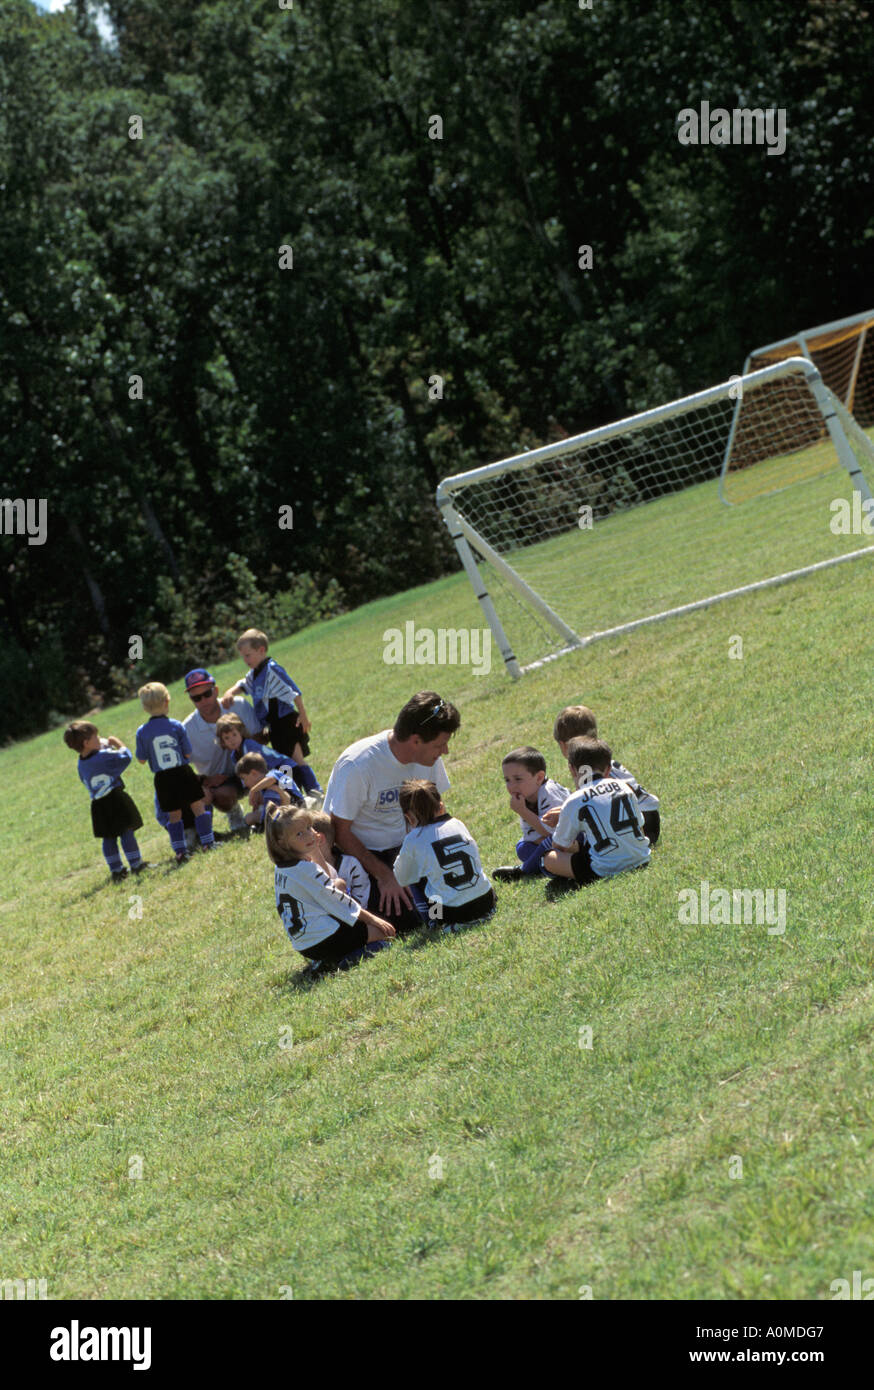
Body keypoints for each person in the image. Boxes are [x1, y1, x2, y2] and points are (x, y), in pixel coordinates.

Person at [323, 691, 461, 932]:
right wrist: (385, 876)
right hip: (363, 855)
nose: (445, 751)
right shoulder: (358, 764)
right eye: (440, 745)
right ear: (416, 741)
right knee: (406, 916)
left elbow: (436, 812)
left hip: (404, 847)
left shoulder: (428, 758)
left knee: (452, 894)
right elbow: (340, 833)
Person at [266, 805, 396, 972]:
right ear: (281, 842)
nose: (309, 834)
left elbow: (329, 879)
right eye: (299, 834)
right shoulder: (305, 870)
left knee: (340, 883)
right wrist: (372, 919)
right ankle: (345, 960)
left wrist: (314, 850)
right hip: (325, 938)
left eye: (308, 827)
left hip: (305, 944)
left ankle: (327, 960)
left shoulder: (283, 868)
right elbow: (336, 900)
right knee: (384, 933)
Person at [219, 629, 321, 798]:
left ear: (261, 650)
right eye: (243, 656)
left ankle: (315, 790)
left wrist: (303, 715)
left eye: (248, 655)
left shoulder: (272, 669)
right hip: (275, 727)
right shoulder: (254, 674)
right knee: (285, 764)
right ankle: (298, 796)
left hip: (288, 721)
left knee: (297, 759)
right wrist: (231, 692)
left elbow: (293, 692)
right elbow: (244, 684)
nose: (245, 660)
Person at [543, 737, 651, 885]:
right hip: (642, 858)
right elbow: (640, 827)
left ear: (572, 769)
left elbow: (559, 846)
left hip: (603, 869)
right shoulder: (624, 786)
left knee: (549, 858)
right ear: (608, 769)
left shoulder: (574, 800)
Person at [395, 780, 495, 930]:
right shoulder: (457, 823)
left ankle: (433, 921)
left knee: (415, 880)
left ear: (408, 816)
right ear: (441, 806)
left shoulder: (413, 839)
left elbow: (402, 877)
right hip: (486, 901)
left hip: (452, 913)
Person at [552, 704, 660, 843]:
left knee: (579, 841)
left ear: (563, 745)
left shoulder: (590, 769)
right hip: (646, 817)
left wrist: (565, 814)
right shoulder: (600, 762)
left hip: (640, 824)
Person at [135, 682, 214, 863]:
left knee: (174, 815)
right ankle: (208, 842)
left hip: (163, 778)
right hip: (182, 772)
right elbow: (187, 753)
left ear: (145, 707)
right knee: (198, 807)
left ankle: (180, 851)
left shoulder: (142, 732)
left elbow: (141, 759)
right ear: (167, 701)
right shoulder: (177, 726)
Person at [181, 668, 262, 835]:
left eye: (207, 693)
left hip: (254, 768)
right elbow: (181, 770)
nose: (203, 700)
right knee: (220, 795)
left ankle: (267, 806)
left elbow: (260, 738)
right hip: (222, 783)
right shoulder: (187, 729)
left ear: (216, 690)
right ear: (191, 700)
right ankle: (233, 814)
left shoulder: (237, 705)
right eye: (197, 698)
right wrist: (205, 780)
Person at [63, 721, 146, 882]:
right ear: (86, 743)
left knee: (108, 837)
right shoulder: (102, 756)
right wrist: (116, 743)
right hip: (114, 799)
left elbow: (87, 774)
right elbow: (125, 757)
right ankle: (136, 864)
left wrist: (103, 748)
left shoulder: (81, 762)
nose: (99, 739)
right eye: (96, 737)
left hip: (98, 804)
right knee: (126, 831)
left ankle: (116, 870)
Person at [491, 746, 569, 882]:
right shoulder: (526, 795)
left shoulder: (549, 793)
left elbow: (552, 833)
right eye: (507, 780)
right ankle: (546, 865)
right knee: (522, 847)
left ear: (539, 777)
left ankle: (523, 871)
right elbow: (530, 835)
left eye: (518, 779)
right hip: (549, 841)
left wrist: (523, 811)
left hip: (572, 841)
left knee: (549, 842)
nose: (511, 786)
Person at [213, 712, 304, 801]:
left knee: (290, 799)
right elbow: (248, 779)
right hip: (272, 774)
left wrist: (256, 791)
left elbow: (263, 771)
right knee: (274, 799)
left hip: (285, 768)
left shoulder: (249, 746)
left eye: (234, 734)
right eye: (227, 738)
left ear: (241, 732)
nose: (232, 740)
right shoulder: (234, 756)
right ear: (222, 741)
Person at [308, 811, 370, 907]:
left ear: (319, 839)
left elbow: (362, 900)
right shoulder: (305, 867)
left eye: (303, 835)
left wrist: (342, 898)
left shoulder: (351, 865)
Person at [236, 751, 302, 829]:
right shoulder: (262, 788)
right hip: (285, 810)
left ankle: (266, 825)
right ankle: (265, 823)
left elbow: (271, 779)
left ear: (254, 773)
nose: (244, 783)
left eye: (244, 779)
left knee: (272, 792)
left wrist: (253, 791)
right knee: (249, 817)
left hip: (296, 805)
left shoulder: (273, 773)